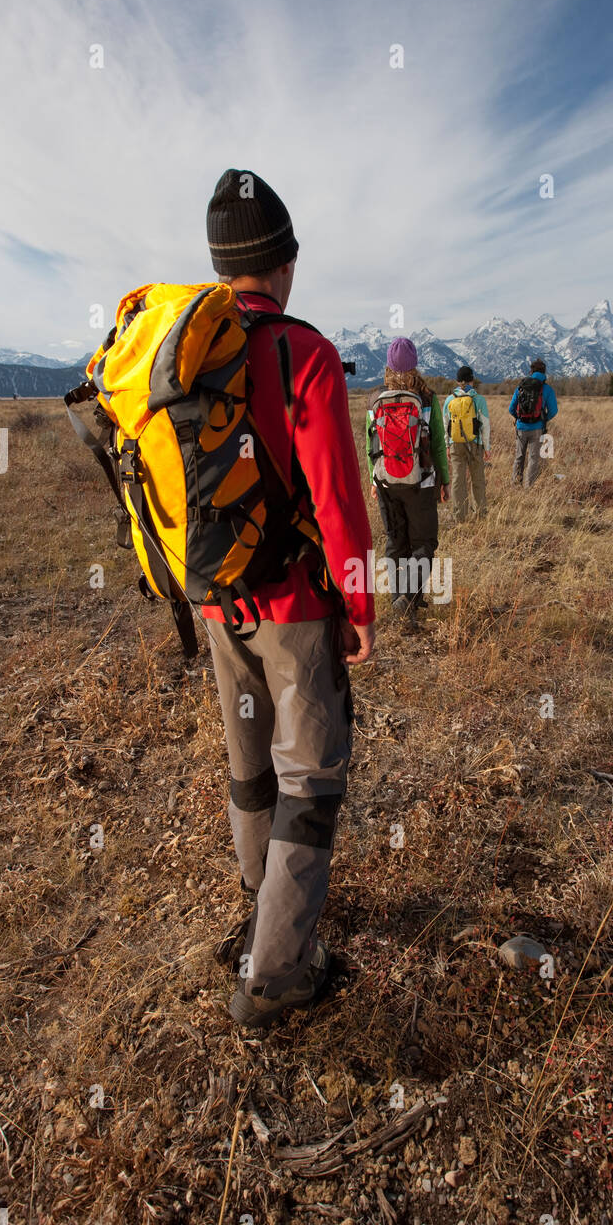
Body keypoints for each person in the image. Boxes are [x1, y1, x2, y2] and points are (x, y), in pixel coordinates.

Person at [202, 168, 375, 1029]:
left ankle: (258, 903)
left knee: (249, 765)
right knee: (311, 781)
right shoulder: (302, 353)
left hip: (215, 605)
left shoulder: (190, 354)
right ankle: (275, 977)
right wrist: (362, 606)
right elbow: (338, 501)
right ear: (285, 263)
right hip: (296, 607)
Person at [365, 338, 449, 628]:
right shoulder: (427, 399)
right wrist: (445, 480)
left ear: (388, 366)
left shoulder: (376, 400)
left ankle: (398, 598)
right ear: (415, 366)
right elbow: (438, 444)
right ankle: (409, 599)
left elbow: (369, 445)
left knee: (395, 543)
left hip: (386, 481)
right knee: (423, 543)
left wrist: (373, 480)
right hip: (422, 483)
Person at [442, 365, 491, 520]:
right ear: (472, 380)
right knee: (478, 479)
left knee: (458, 480)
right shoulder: (479, 399)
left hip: (455, 443)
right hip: (475, 444)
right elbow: (485, 425)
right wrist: (487, 447)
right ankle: (480, 514)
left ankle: (459, 516)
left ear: (457, 381)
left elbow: (445, 425)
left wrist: (447, 445)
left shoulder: (450, 400)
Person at [508, 358, 558, 488]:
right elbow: (553, 410)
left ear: (531, 371)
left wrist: (518, 417)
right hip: (537, 428)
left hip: (520, 427)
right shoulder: (547, 389)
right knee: (533, 459)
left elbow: (511, 408)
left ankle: (515, 485)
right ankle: (528, 487)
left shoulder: (521, 386)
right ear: (544, 372)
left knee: (519, 457)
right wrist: (543, 419)